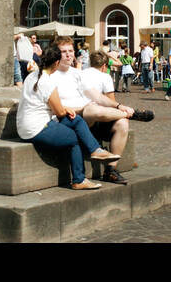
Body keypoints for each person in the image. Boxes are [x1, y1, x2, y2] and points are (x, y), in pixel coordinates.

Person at [16, 44, 120, 190]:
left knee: (75, 120)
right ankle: (79, 179)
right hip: (36, 128)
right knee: (73, 137)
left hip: (26, 125)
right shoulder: (48, 82)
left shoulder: (33, 76)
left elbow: (49, 106)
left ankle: (95, 150)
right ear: (57, 63)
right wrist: (67, 110)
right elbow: (58, 112)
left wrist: (66, 110)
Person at [71, 48, 154, 184]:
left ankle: (110, 171)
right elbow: (112, 102)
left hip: (87, 120)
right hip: (88, 120)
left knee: (122, 122)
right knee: (122, 121)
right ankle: (111, 169)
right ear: (104, 66)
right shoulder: (105, 77)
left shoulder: (80, 73)